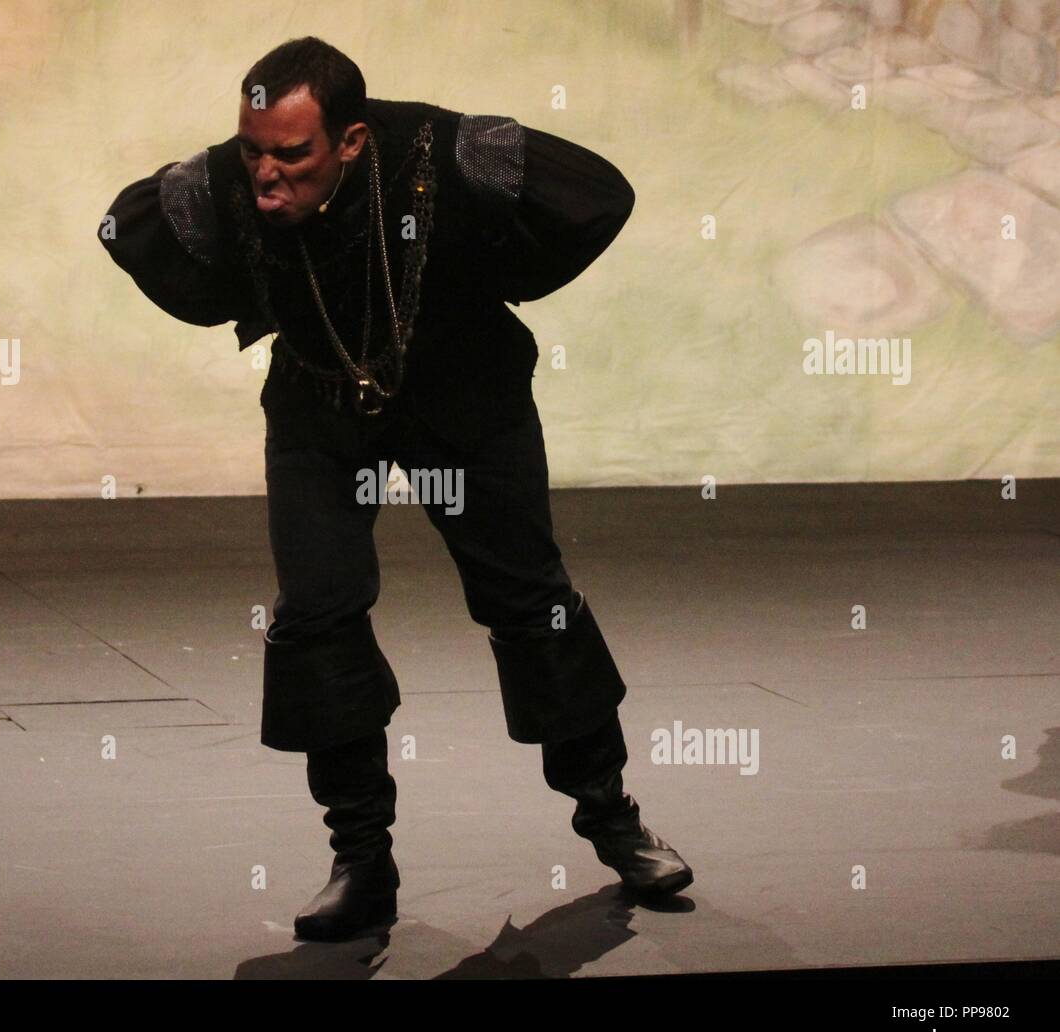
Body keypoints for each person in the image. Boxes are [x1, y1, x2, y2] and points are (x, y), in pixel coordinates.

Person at [98, 36, 693, 942]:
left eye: (291, 155)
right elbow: (131, 231)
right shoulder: (223, 182)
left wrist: (493, 279)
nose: (265, 174)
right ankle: (361, 861)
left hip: (464, 397)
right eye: (254, 147)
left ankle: (611, 815)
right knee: (317, 611)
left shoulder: (447, 155)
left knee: (528, 601)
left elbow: (598, 195)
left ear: (350, 141)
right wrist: (243, 294)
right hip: (322, 402)